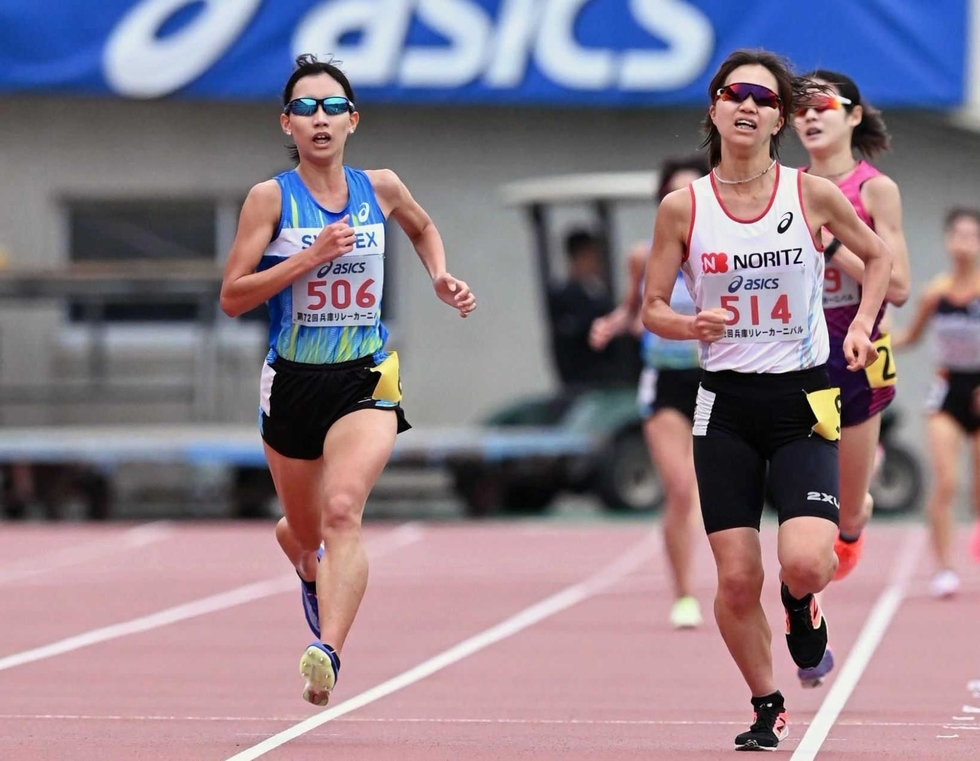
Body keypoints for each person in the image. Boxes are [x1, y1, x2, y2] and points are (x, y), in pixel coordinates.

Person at [642, 49, 892, 751]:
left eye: (763, 97)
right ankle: (767, 700)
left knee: (807, 559)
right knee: (734, 577)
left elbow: (877, 261)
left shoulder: (808, 194)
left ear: (779, 116)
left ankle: (801, 605)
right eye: (734, 94)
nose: (747, 106)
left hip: (804, 396)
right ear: (714, 110)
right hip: (723, 404)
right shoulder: (682, 207)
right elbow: (652, 306)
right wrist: (688, 324)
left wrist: (864, 328)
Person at [219, 54, 476, 706]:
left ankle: (326, 650)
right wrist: (307, 258)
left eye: (333, 106)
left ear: (353, 119)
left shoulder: (381, 187)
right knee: (306, 530)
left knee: (343, 511)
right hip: (294, 381)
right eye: (306, 108)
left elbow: (420, 225)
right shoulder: (269, 199)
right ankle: (303, 559)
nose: (320, 118)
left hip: (367, 371)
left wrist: (439, 274)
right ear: (288, 122)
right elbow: (232, 295)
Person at [792, 69, 911, 687]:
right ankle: (803, 598)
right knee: (804, 503)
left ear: (854, 116)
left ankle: (855, 518)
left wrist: (834, 244)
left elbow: (898, 285)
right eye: (801, 110)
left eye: (825, 108)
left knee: (847, 511)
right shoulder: (786, 188)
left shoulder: (875, 190)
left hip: (862, 348)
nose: (811, 119)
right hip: (802, 349)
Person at [589, 155, 709, 630]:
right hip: (664, 379)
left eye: (691, 191)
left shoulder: (720, 254)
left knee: (714, 492)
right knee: (679, 489)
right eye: (673, 192)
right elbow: (633, 308)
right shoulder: (645, 254)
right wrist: (612, 324)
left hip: (713, 380)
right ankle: (683, 593)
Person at [893, 207, 980, 598]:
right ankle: (945, 568)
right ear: (947, 240)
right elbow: (910, 337)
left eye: (972, 236)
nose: (963, 243)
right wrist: (871, 336)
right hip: (947, 389)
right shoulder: (937, 292)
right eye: (957, 235)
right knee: (946, 481)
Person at [549, 229, 636, 387]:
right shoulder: (564, 294)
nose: (597, 262)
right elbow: (577, 331)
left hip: (609, 371)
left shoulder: (596, 291)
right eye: (592, 256)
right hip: (585, 375)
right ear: (579, 257)